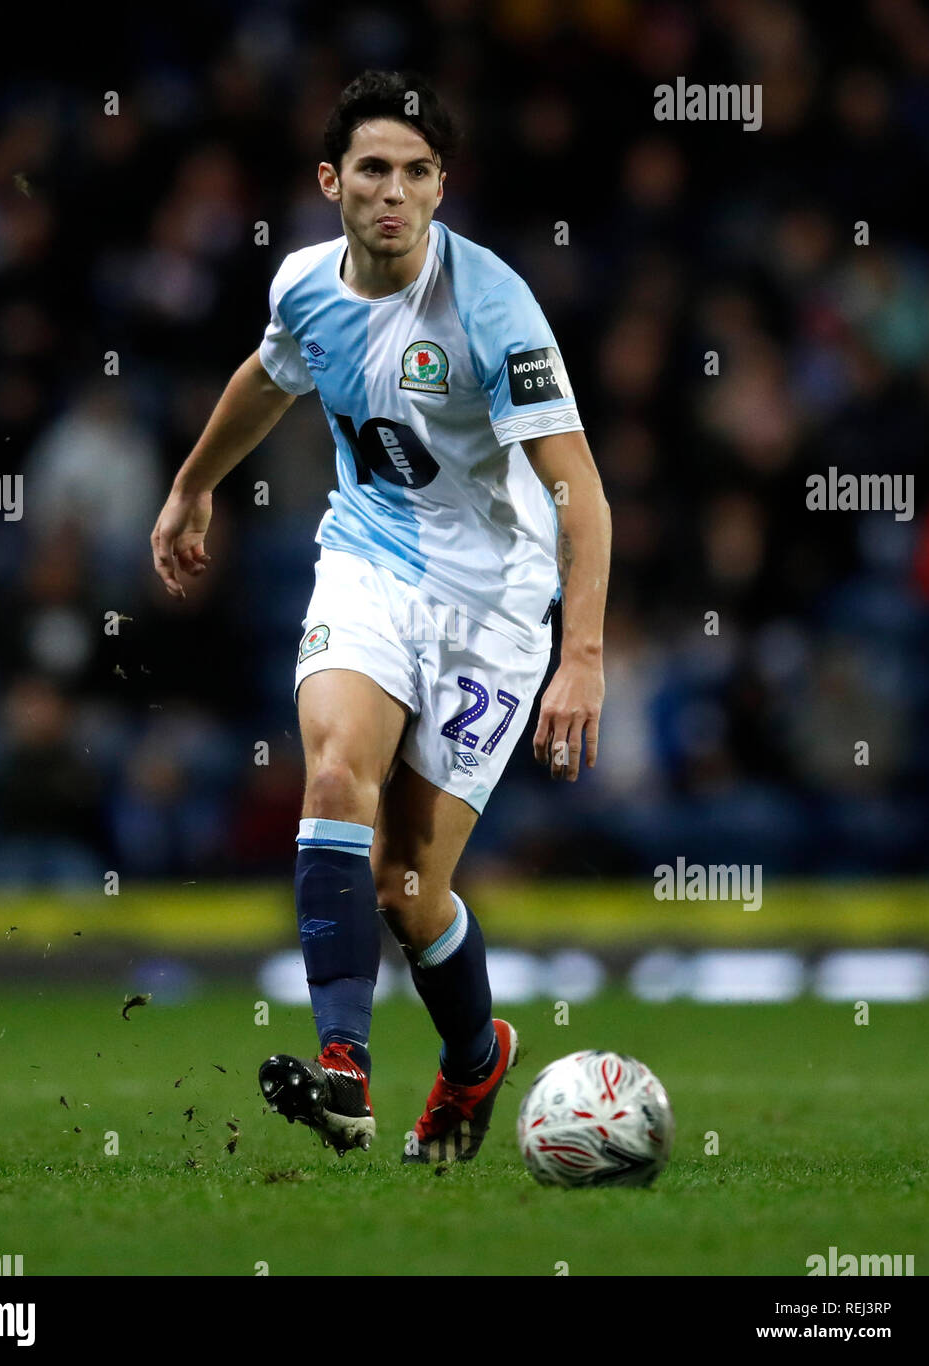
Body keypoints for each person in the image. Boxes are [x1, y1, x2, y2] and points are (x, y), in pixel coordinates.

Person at [151, 69, 611, 1164]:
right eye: (371, 170)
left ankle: (471, 1058)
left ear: (441, 185)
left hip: (495, 605)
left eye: (415, 171)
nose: (392, 192)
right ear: (332, 182)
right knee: (329, 777)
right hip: (366, 563)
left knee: (410, 891)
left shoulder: (491, 305)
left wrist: (582, 655)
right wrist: (192, 485)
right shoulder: (307, 283)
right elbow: (270, 376)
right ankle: (346, 1066)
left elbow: (578, 488)